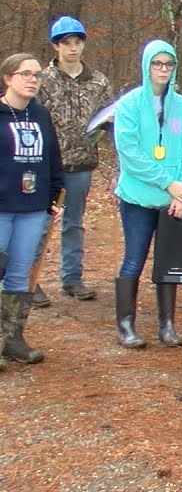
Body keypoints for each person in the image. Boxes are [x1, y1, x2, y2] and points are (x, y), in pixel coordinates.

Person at [112, 40, 182, 348]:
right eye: (157, 63)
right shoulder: (129, 105)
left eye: (168, 64)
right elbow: (130, 153)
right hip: (137, 196)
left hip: (173, 201)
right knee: (134, 258)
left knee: (169, 261)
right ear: (147, 66)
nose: (163, 69)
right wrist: (167, 183)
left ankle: (167, 325)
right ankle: (126, 325)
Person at [34, 17, 114, 305]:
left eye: (77, 42)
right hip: (47, 165)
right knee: (40, 223)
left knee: (74, 223)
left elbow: (111, 119)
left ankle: (72, 278)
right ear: (56, 46)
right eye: (66, 43)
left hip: (82, 164)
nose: (72, 48)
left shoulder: (98, 81)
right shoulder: (41, 80)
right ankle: (30, 279)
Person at [0, 53, 64, 365]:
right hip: (2, 207)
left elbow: (52, 158)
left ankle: (12, 338)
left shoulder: (40, 114)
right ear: (7, 78)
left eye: (37, 75)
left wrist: (54, 196)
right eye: (25, 74)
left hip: (33, 207)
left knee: (19, 273)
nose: (32, 80)